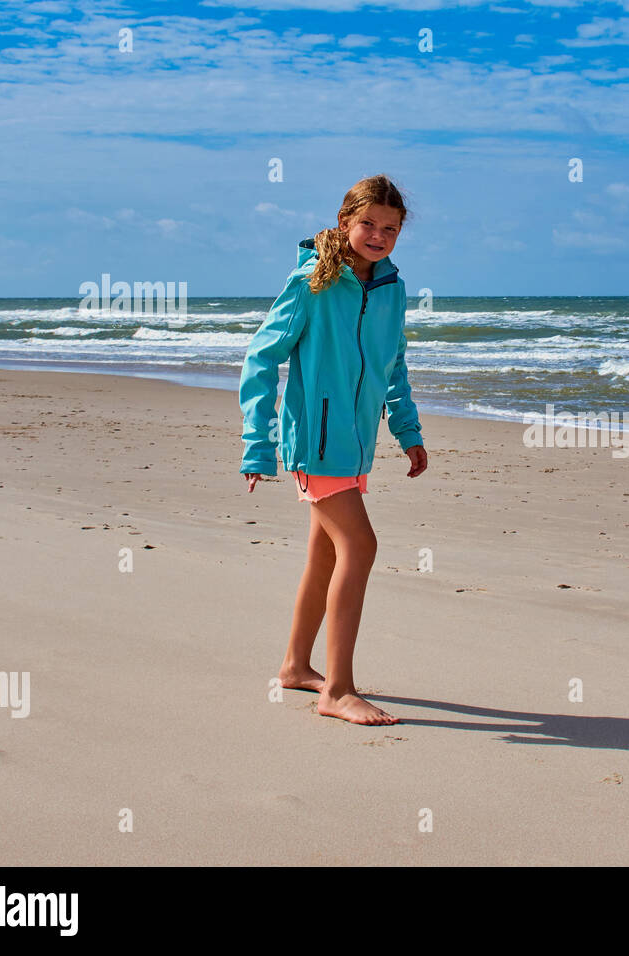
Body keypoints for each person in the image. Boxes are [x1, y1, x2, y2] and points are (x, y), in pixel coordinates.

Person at [238, 174, 427, 726]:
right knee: (361, 547)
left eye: (390, 228)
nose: (378, 235)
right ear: (346, 221)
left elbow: (394, 365)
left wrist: (408, 432)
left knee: (326, 553)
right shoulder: (311, 282)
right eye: (368, 223)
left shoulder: (391, 289)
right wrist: (258, 444)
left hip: (357, 444)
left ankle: (297, 666)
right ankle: (338, 689)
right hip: (315, 442)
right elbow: (259, 360)